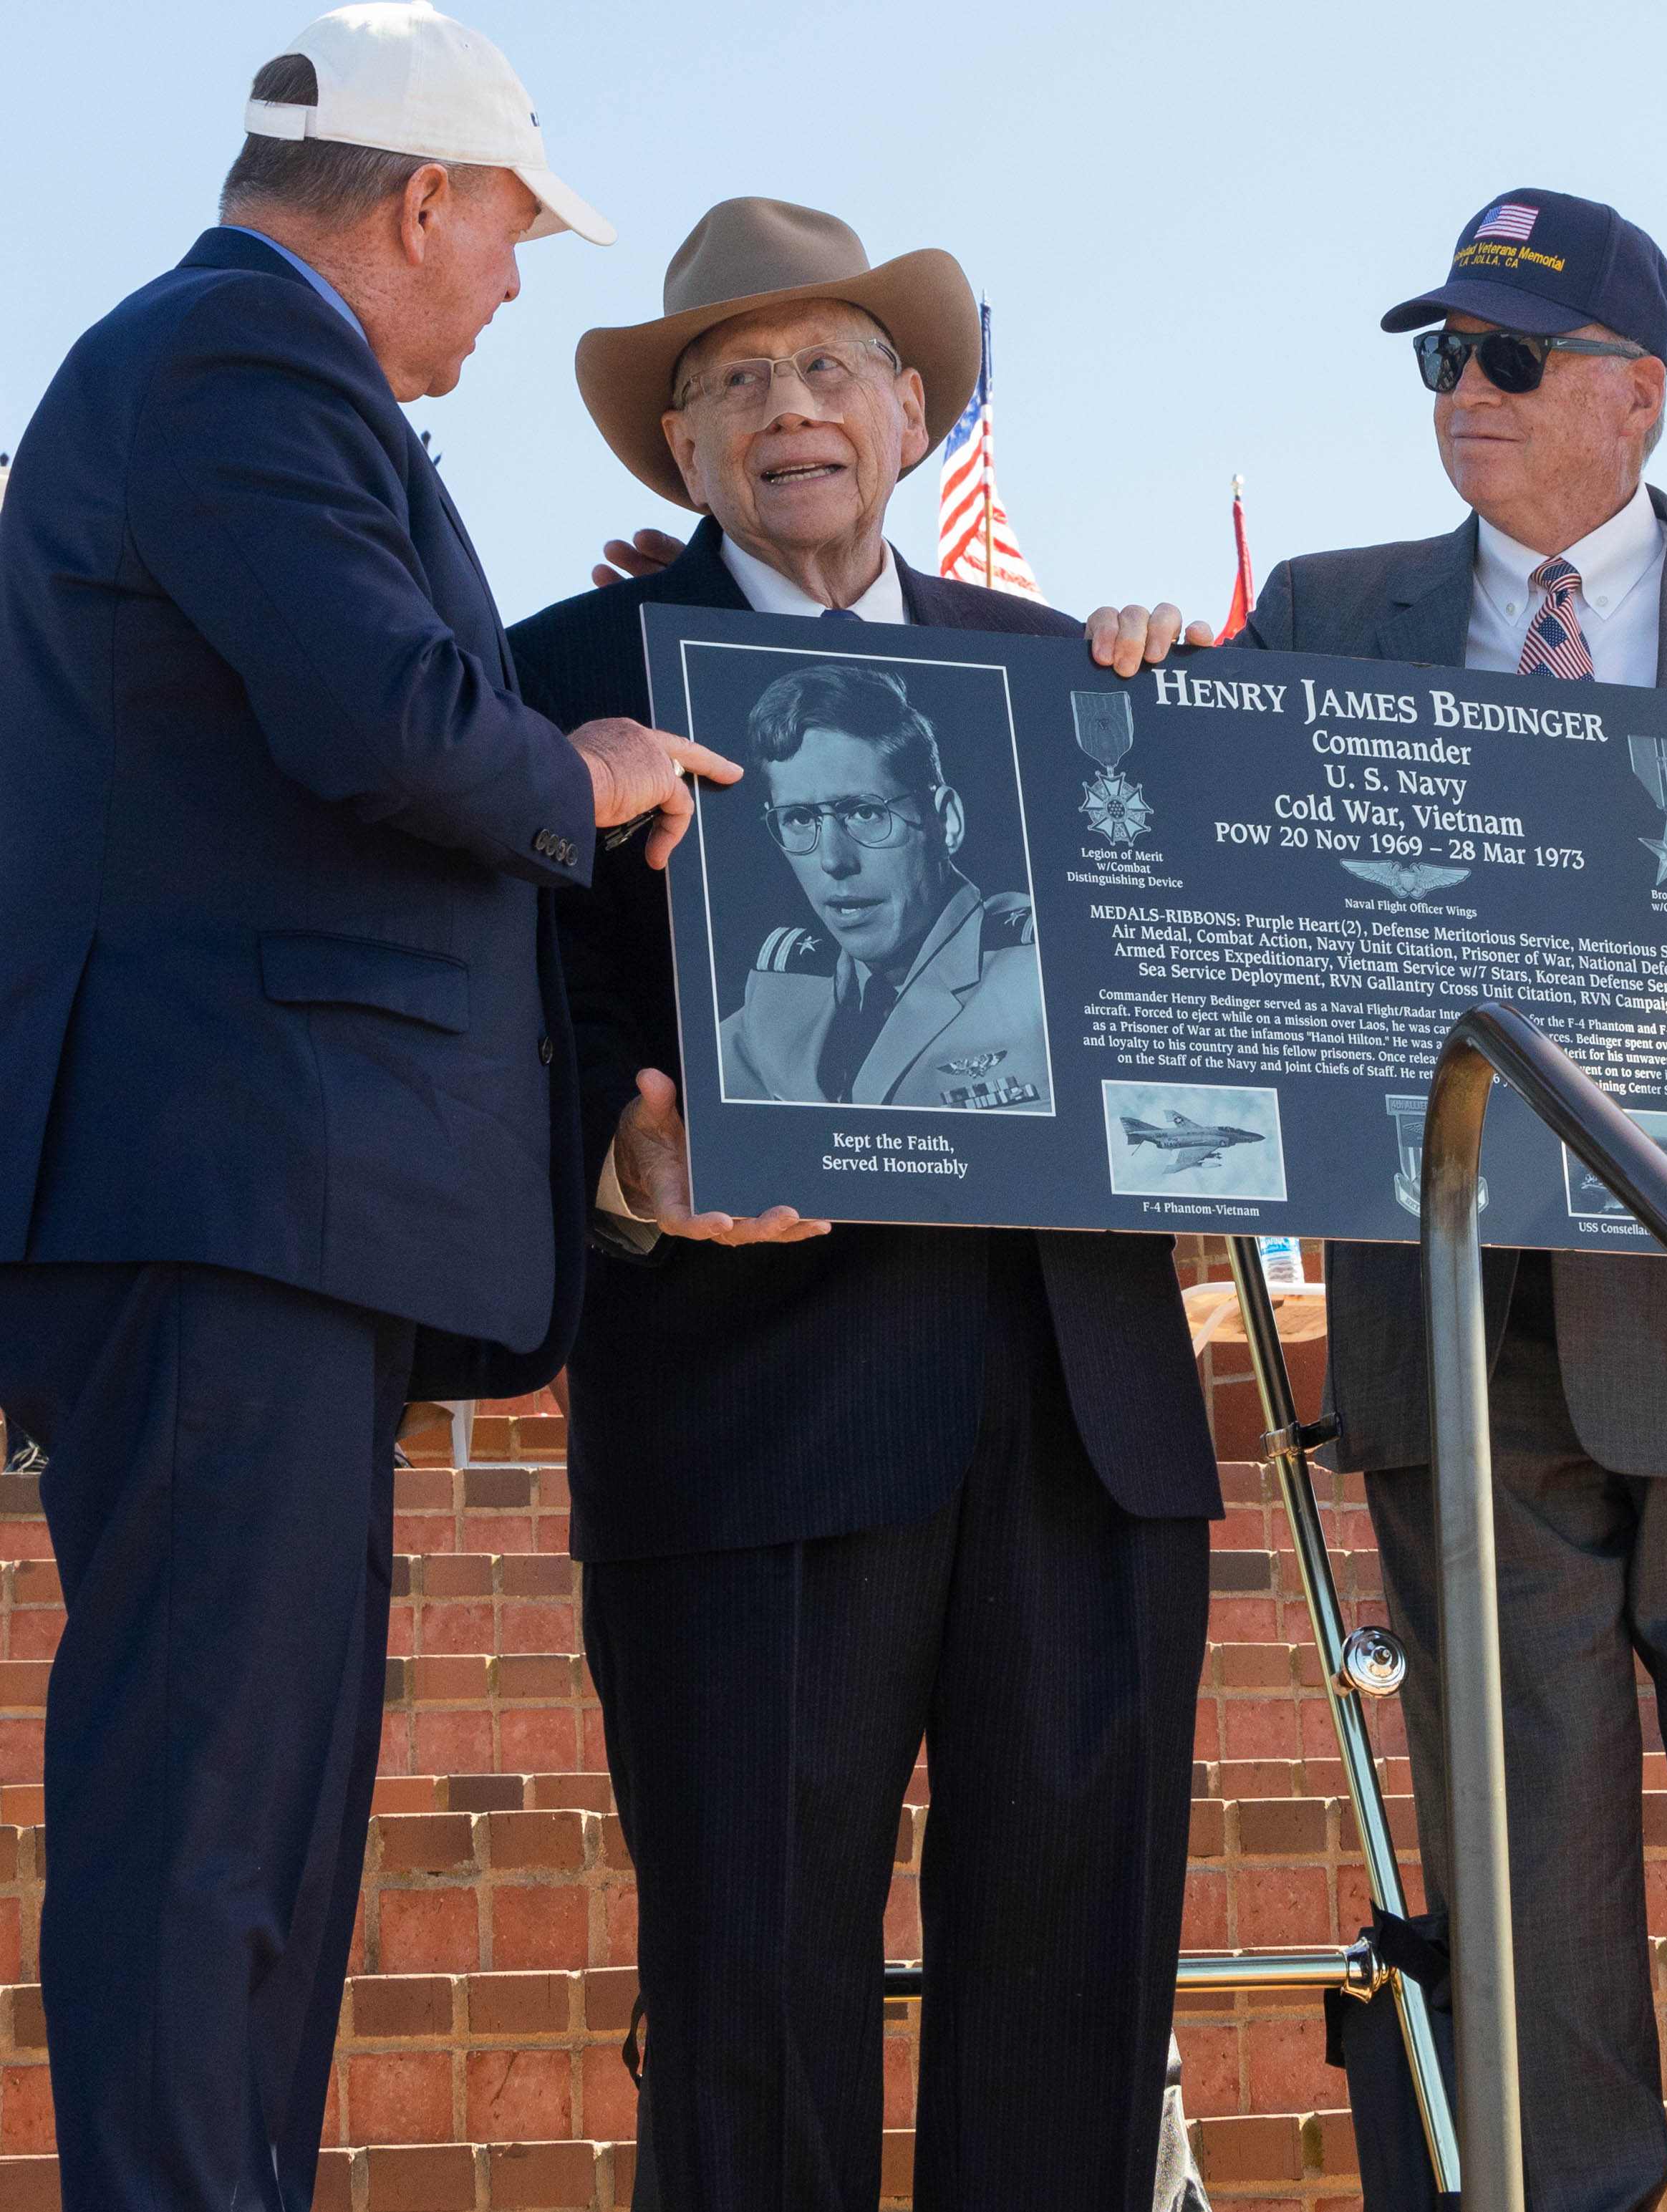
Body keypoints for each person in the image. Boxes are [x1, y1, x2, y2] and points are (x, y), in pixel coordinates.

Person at [1096, 188, 1667, 2212]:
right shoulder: (1322, 612)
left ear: (1631, 394)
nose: (1459, 394)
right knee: (1520, 1867)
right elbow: (1181, 855)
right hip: (1453, 1330)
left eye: (1505, 356)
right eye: (1441, 356)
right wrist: (1139, 683)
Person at [0, 9, 720, 2204]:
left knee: (269, 1832)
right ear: (421, 201)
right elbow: (385, 717)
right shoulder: (245, 353)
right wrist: (581, 770)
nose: (512, 284)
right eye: (510, 232)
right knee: (208, 1822)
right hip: (220, 1200)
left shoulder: (227, 366)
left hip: (261, 1211)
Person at [507, 197, 1219, 2212]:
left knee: (1075, 2005)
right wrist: (615, 1163)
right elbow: (506, 1013)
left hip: (1083, 1422)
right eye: (734, 381)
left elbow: (1204, 992)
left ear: (913, 415)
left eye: (828, 366)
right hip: (746, 1423)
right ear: (682, 450)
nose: (787, 408)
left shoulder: (1077, 674)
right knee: (750, 2003)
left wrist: (1200, 738)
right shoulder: (554, 682)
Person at [719, 661, 1051, 1109]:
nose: (833, 860)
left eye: (864, 812)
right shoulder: (777, 998)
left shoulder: (1039, 977)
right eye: (799, 818)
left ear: (945, 822)